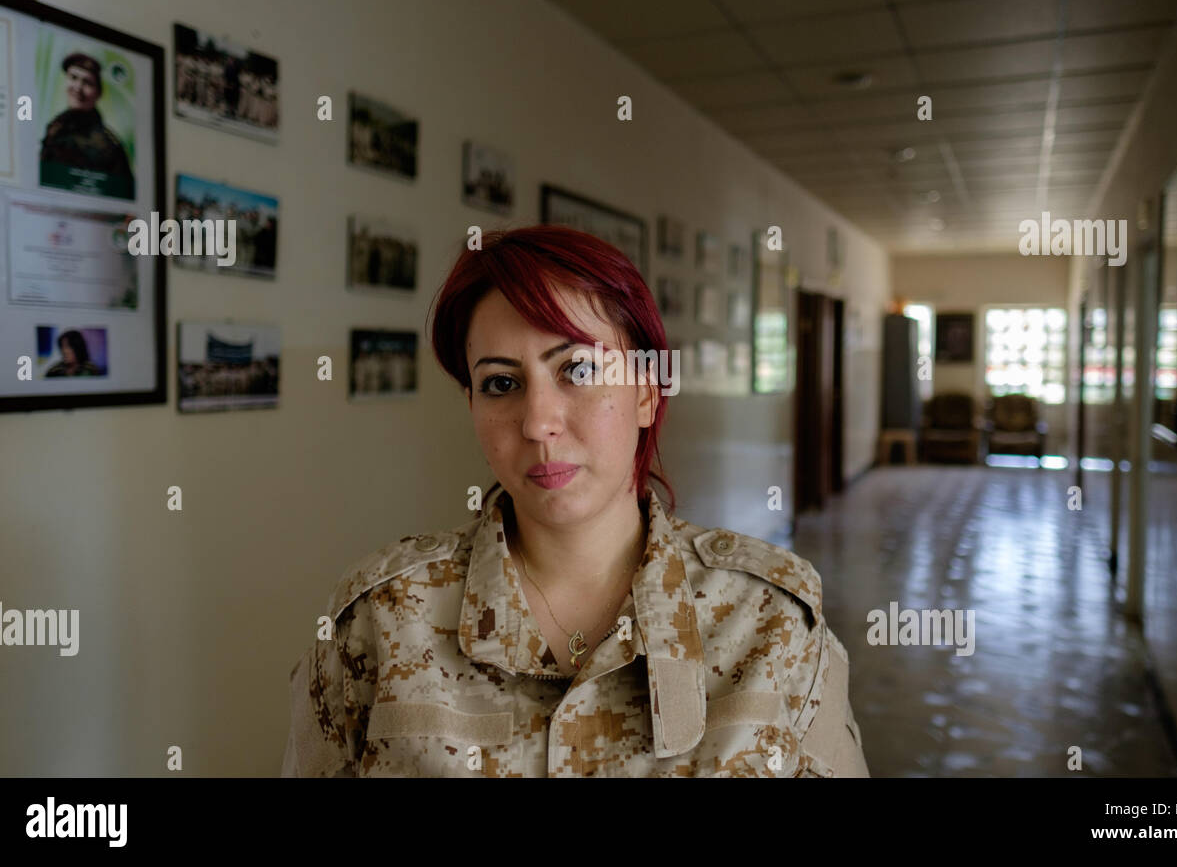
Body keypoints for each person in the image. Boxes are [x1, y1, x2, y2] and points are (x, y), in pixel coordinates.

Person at [281, 226, 868, 778]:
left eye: (577, 368)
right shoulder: (382, 618)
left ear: (645, 392)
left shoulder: (770, 620)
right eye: (501, 383)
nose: (538, 423)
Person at [39, 52, 135, 200]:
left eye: (87, 83)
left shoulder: (109, 145)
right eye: (73, 78)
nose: (78, 87)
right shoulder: (55, 127)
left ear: (98, 93)